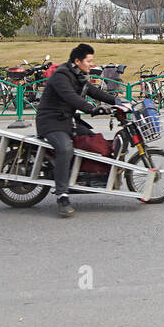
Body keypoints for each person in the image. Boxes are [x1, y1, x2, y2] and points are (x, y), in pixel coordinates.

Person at [35, 43, 122, 218]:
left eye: (92, 61)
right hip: (51, 122)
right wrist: (92, 109)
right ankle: (62, 195)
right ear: (77, 61)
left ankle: (80, 177)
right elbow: (71, 97)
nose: (92, 64)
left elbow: (94, 91)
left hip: (66, 121)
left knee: (92, 140)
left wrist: (118, 101)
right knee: (65, 149)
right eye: (89, 61)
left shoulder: (78, 75)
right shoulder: (62, 75)